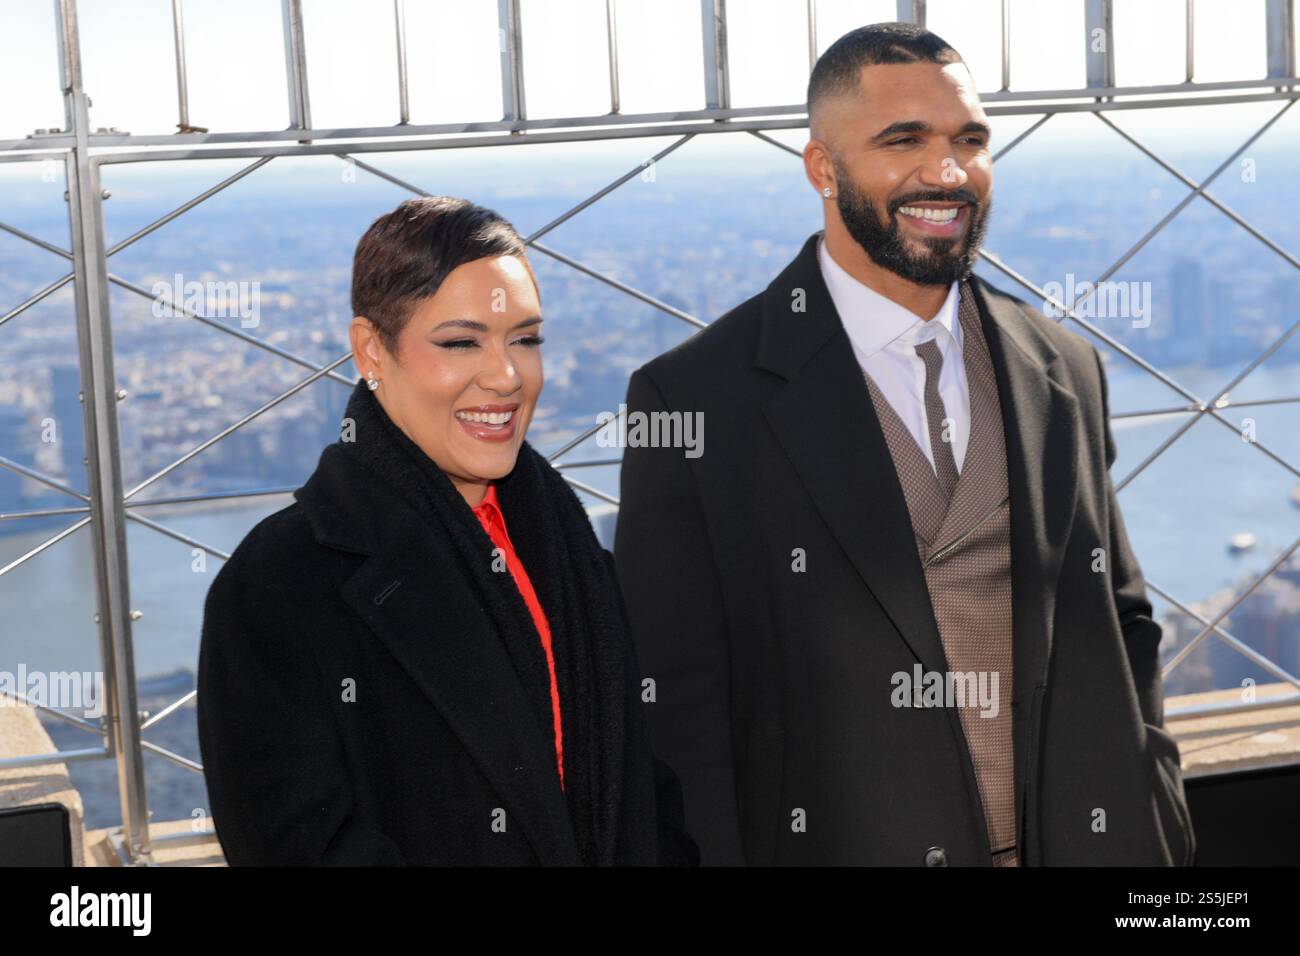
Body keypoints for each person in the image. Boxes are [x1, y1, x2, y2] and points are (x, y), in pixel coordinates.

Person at [613, 22, 1195, 866]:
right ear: (822, 168)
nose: (948, 172)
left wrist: (1158, 814)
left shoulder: (1062, 365)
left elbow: (1123, 617)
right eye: (904, 140)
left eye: (970, 139)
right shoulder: (695, 399)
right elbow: (676, 710)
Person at [198, 196, 697, 866]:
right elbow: (297, 846)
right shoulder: (280, 582)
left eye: (525, 339)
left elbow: (645, 785)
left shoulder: (564, 543)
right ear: (372, 350)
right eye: (461, 342)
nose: (506, 376)